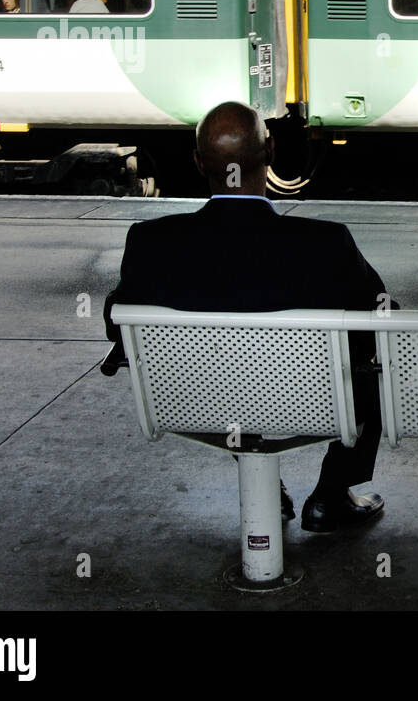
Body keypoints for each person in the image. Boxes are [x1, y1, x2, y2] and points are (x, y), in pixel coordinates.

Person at [102, 101, 389, 533]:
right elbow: (379, 318)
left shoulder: (151, 243)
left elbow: (115, 324)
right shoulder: (327, 243)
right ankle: (332, 494)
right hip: (312, 403)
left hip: (200, 404)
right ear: (271, 152)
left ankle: (266, 491)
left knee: (226, 373)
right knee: (375, 361)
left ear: (199, 163)